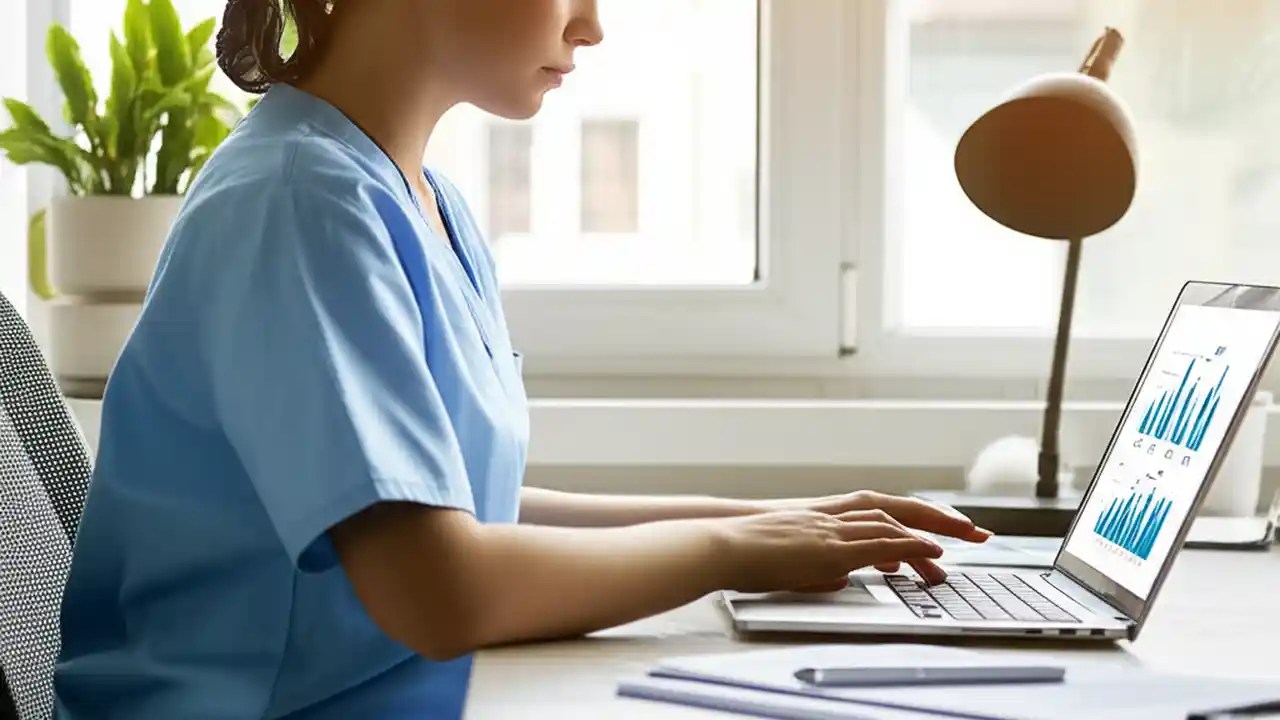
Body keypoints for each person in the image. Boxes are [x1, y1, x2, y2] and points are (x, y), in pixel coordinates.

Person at [53, 0, 991, 717]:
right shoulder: (299, 202)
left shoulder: (419, 199)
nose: (592, 25)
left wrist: (779, 521)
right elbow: (439, 591)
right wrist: (728, 549)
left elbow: (453, 510)